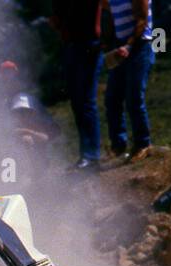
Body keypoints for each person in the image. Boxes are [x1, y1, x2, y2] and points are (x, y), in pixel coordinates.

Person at [51, 0, 105, 170]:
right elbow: (58, 19)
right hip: (73, 44)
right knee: (77, 102)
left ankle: (92, 155)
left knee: (86, 101)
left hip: (88, 43)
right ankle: (86, 154)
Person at [103, 0, 154, 162]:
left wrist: (129, 45)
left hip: (139, 45)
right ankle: (118, 145)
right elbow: (111, 17)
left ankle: (143, 144)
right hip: (121, 46)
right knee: (112, 98)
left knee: (133, 97)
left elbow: (142, 19)